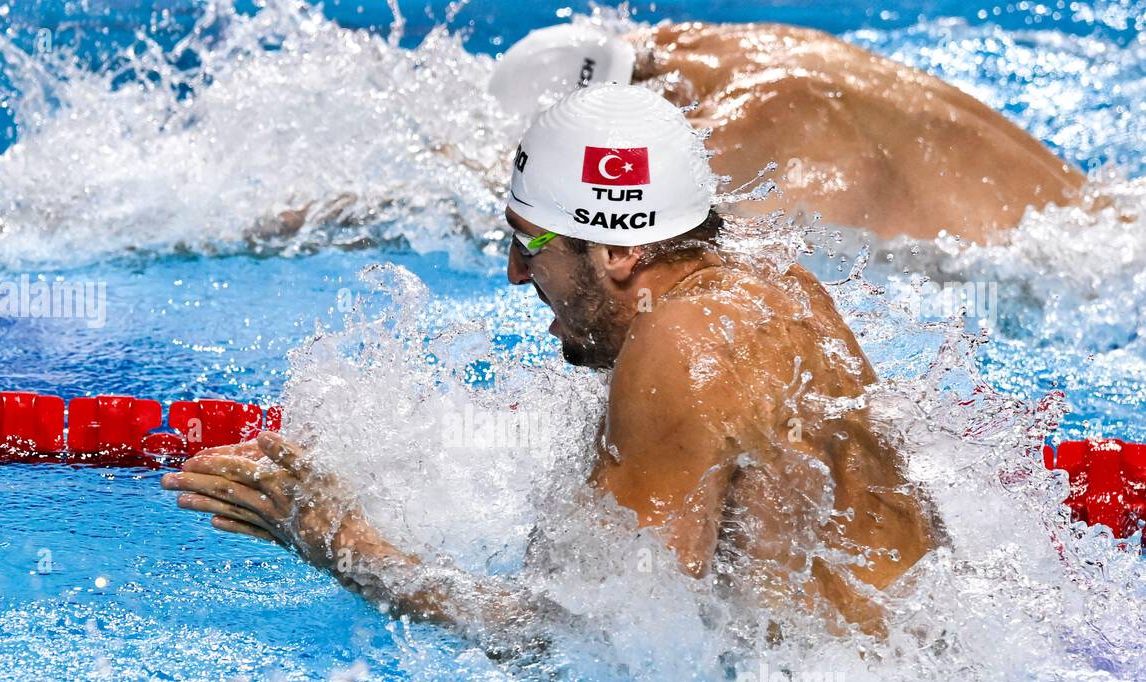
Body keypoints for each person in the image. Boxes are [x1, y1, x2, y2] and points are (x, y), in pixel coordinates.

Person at [162, 84, 941, 642]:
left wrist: (337, 537)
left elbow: (590, 646)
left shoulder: (682, 348)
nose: (510, 271)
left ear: (621, 250)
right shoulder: (773, 287)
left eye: (529, 243)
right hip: (920, 676)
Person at [490, 22, 1089, 243]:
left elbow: (631, 237)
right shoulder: (723, 46)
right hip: (1105, 219)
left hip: (1089, 289)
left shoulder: (745, 128)